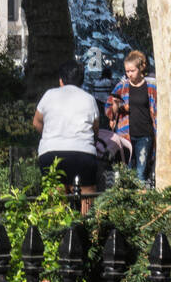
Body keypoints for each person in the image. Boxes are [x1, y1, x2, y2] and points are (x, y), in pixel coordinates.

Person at [33, 60, 100, 207]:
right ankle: (87, 225)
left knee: (56, 198)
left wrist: (49, 135)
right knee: (87, 194)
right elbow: (95, 129)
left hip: (51, 152)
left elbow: (36, 122)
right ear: (81, 81)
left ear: (61, 80)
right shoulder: (89, 99)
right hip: (83, 153)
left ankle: (58, 226)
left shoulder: (49, 95)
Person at [106, 50, 157, 183]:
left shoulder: (151, 86)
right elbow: (110, 111)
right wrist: (116, 105)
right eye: (127, 71)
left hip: (145, 134)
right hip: (125, 136)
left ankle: (140, 201)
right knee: (126, 172)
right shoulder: (121, 87)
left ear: (141, 68)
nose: (129, 74)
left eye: (132, 71)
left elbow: (157, 110)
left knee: (140, 172)